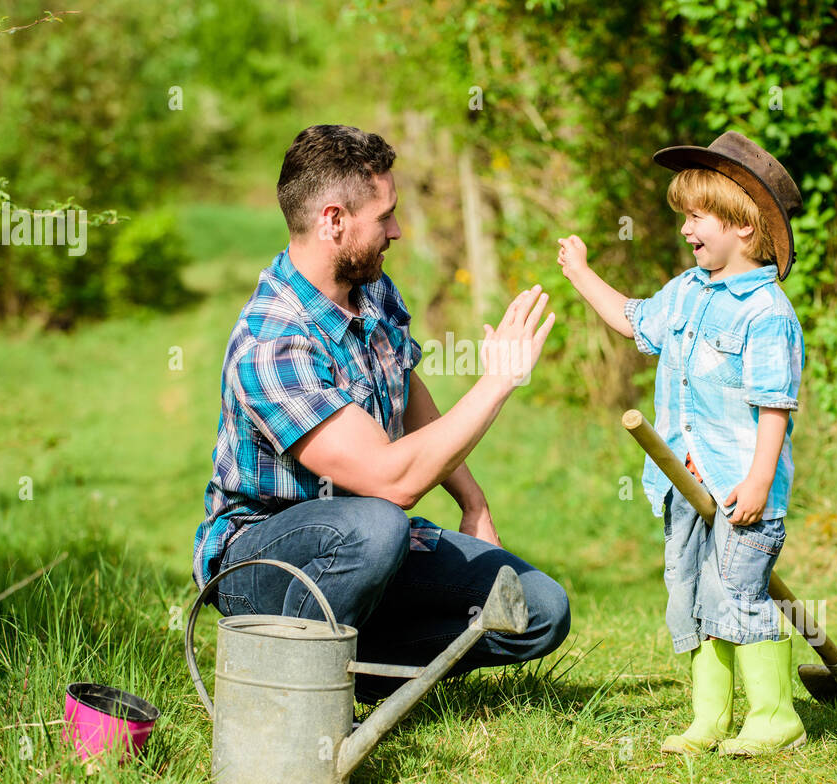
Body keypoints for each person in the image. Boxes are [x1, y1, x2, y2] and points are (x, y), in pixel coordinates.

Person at [192, 124, 569, 703]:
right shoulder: (273, 342)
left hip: (367, 542)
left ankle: (351, 668)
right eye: (385, 216)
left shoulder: (370, 289)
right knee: (378, 524)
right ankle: (287, 689)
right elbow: (393, 481)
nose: (396, 230)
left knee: (537, 608)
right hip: (264, 560)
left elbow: (405, 387)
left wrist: (473, 501)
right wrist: (496, 382)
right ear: (334, 220)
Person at [556, 131, 807, 757]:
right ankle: (709, 719)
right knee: (693, 594)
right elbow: (634, 321)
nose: (687, 228)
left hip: (739, 487)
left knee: (737, 593)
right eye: (685, 216)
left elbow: (774, 408)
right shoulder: (687, 291)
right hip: (682, 484)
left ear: (744, 227)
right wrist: (582, 273)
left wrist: (756, 481)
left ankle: (776, 717)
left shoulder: (766, 313)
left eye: (699, 216)